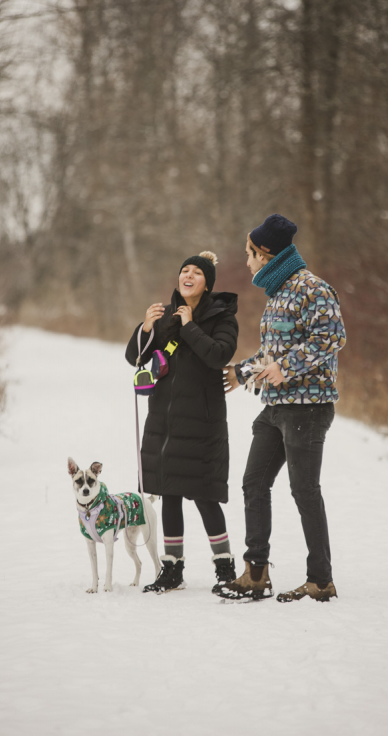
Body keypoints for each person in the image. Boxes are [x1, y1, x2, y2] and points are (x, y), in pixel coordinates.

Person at [218, 214, 346, 602]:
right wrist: (243, 372)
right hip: (275, 408)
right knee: (254, 483)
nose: (246, 261)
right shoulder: (278, 294)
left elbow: (332, 337)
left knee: (304, 490)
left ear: (266, 253)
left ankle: (320, 581)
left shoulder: (312, 288)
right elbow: (274, 354)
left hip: (307, 407)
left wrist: (285, 367)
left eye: (249, 254)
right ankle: (256, 572)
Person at [125, 251, 239, 593]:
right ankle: (172, 569)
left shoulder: (223, 317)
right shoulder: (164, 318)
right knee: (170, 493)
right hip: (165, 422)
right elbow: (136, 357)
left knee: (205, 495)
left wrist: (189, 325)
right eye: (184, 271)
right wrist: (145, 327)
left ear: (208, 283)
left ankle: (225, 567)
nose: (188, 276)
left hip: (202, 422)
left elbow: (219, 355)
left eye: (196, 273)